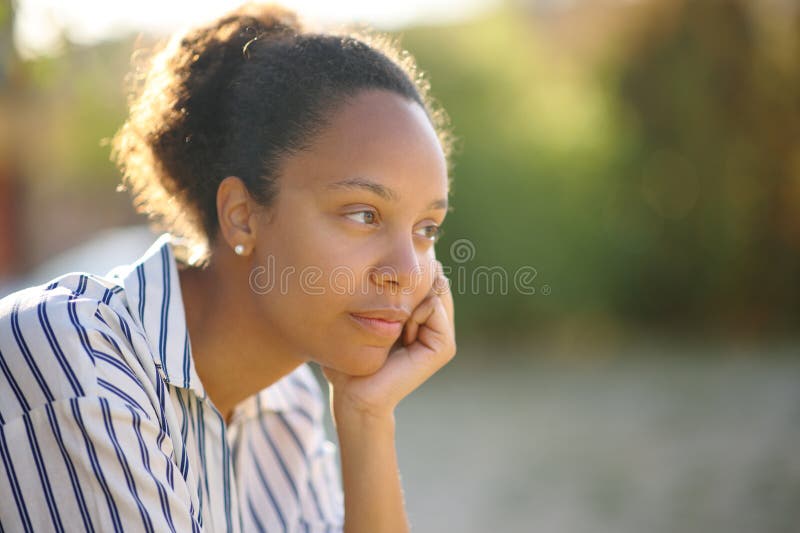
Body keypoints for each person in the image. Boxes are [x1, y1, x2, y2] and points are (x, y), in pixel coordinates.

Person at [0, 3, 457, 532]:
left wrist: (366, 418)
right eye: (363, 214)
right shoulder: (73, 361)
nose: (407, 271)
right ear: (241, 217)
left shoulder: (287, 405)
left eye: (427, 229)